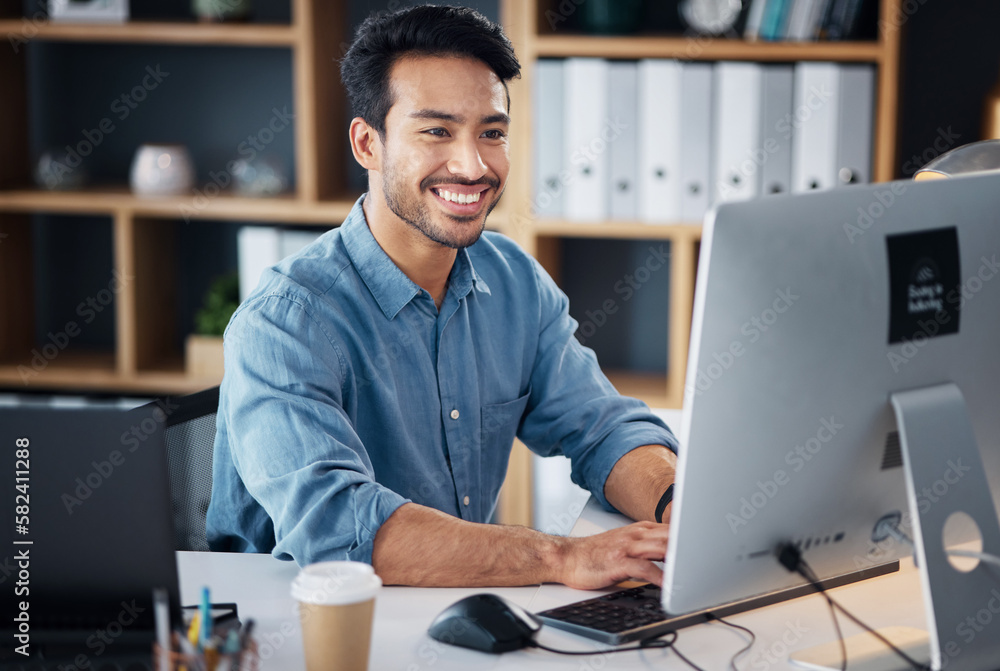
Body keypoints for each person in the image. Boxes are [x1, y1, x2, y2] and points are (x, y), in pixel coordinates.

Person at [206, 4, 679, 589]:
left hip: (451, 607)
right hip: (298, 619)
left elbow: (605, 429)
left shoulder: (513, 281)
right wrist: (561, 557)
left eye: (492, 133)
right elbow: (340, 528)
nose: (473, 165)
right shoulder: (283, 324)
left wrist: (674, 506)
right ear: (367, 144)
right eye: (436, 131)